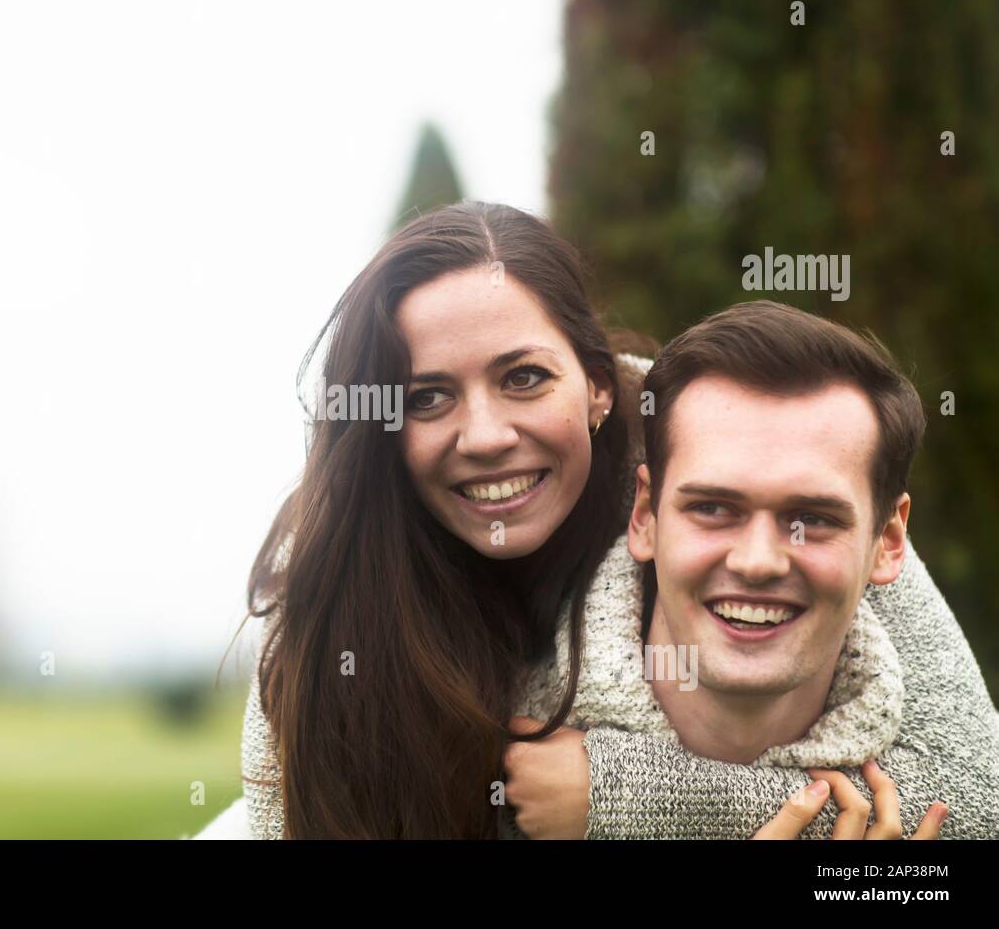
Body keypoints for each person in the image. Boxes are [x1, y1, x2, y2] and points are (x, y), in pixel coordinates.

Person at [197, 202, 993, 839]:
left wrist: (627, 796)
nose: (485, 436)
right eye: (427, 397)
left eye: (523, 378)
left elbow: (974, 787)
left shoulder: (727, 453)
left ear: (599, 386)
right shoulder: (332, 570)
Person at [501, 302, 999, 839]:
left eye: (813, 518)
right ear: (644, 515)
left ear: (889, 542)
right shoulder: (479, 755)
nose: (757, 562)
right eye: (713, 508)